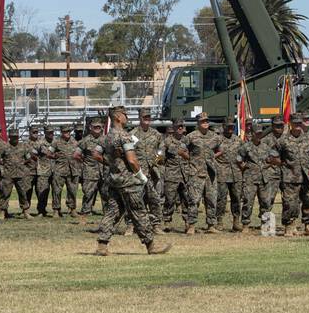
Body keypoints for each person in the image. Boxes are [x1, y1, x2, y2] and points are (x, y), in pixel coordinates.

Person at [92, 106, 170, 257]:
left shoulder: (107, 137)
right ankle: (151, 245)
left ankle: (102, 245)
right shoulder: (125, 136)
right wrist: (141, 175)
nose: (127, 117)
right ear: (117, 117)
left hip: (114, 180)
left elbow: (96, 153)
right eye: (124, 114)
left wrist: (111, 164)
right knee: (139, 211)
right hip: (129, 181)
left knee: (112, 212)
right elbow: (132, 160)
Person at [275, 114, 309, 236]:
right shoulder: (282, 140)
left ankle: (308, 226)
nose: (297, 125)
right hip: (290, 176)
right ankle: (289, 226)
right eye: (295, 123)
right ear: (290, 123)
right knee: (290, 203)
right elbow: (272, 156)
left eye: (299, 123)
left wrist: (308, 161)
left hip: (307, 175)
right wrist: (284, 164)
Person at [237, 122, 277, 232]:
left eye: (260, 133)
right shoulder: (246, 147)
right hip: (250, 179)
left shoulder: (265, 147)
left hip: (264, 178)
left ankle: (265, 224)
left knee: (265, 202)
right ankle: (245, 224)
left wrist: (267, 165)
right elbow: (239, 159)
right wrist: (245, 168)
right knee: (248, 202)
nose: (259, 135)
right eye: (257, 133)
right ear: (252, 133)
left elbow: (273, 158)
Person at [185, 114, 221, 232]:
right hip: (196, 172)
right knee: (194, 200)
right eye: (202, 121)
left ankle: (211, 225)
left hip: (210, 173)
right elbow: (181, 149)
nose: (205, 123)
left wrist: (211, 158)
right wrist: (191, 159)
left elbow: (221, 150)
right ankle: (191, 225)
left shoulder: (215, 137)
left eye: (206, 121)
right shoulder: (191, 136)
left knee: (211, 199)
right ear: (198, 123)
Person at [160, 120, 197, 235]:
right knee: (169, 199)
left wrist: (185, 155)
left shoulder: (188, 141)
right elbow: (159, 156)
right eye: (178, 127)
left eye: (182, 126)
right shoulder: (166, 141)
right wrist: (161, 162)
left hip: (185, 175)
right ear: (174, 128)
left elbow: (195, 155)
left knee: (187, 199)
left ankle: (188, 222)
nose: (180, 128)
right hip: (171, 174)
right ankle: (167, 221)